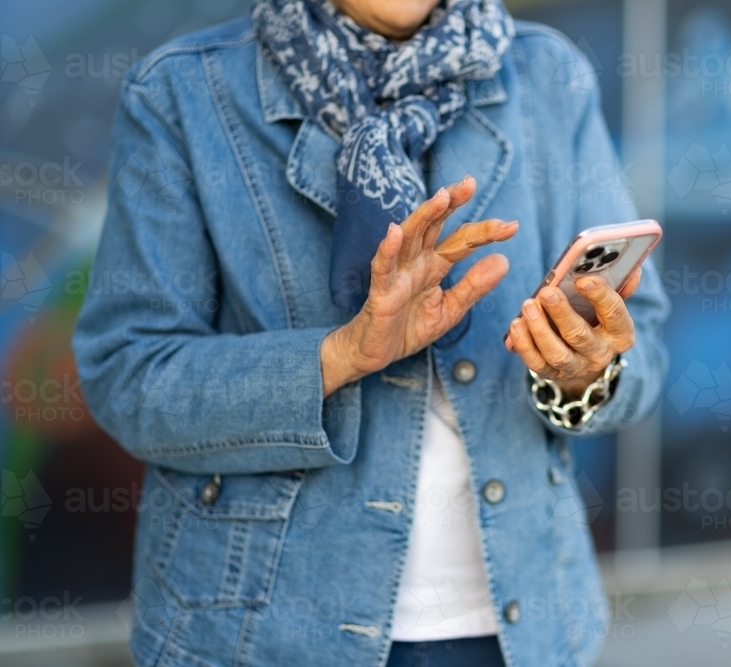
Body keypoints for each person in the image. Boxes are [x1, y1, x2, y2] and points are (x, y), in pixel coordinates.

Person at [72, 0, 669, 665]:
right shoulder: (182, 93)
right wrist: (338, 356)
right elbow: (129, 376)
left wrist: (585, 373)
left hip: (524, 630)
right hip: (258, 635)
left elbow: (643, 347)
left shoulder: (549, 76)